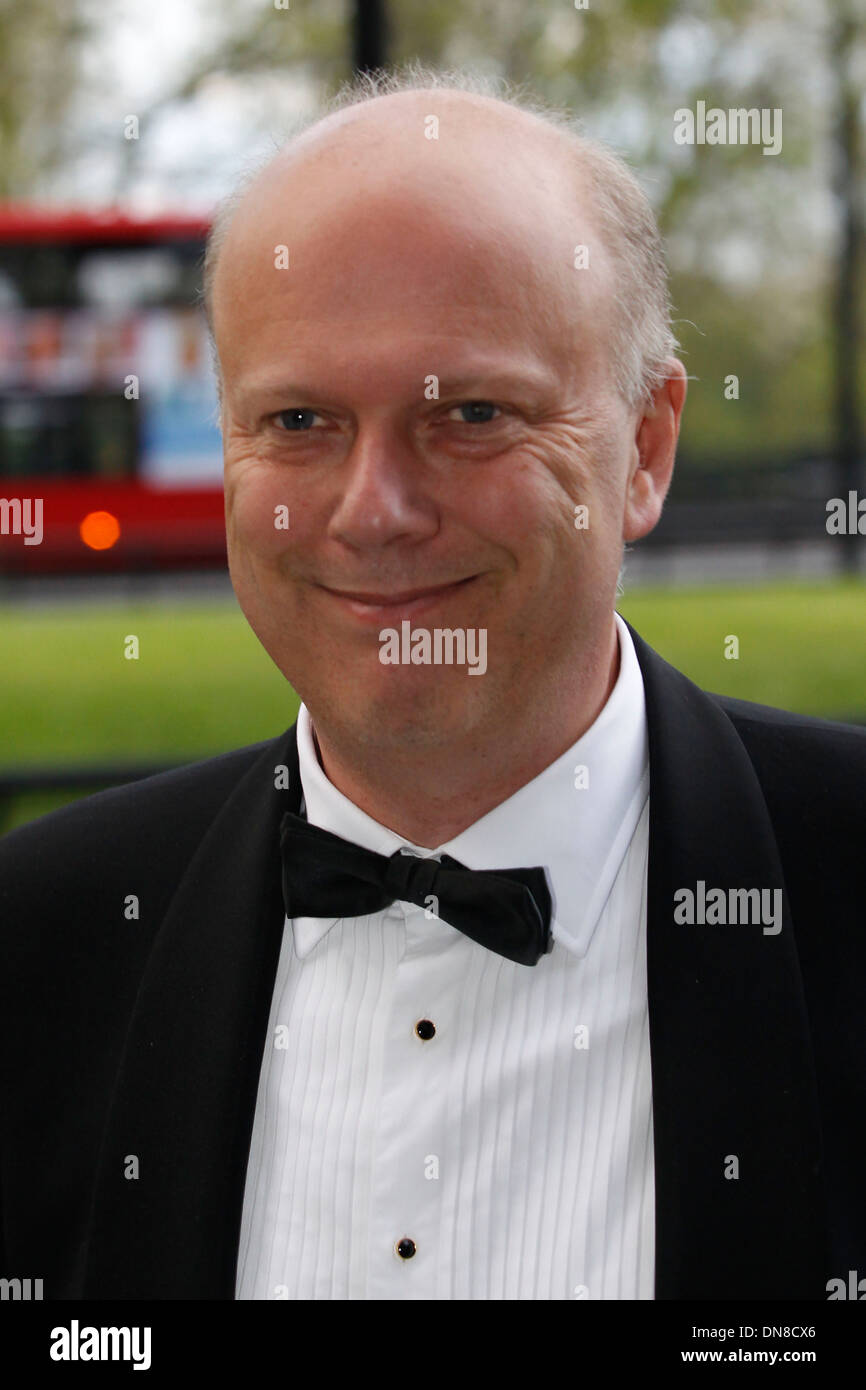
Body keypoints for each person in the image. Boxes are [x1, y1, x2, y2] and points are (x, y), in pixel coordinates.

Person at [1, 67, 864, 1303]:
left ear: (645, 447)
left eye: (469, 412)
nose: (373, 514)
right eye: (298, 421)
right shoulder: (37, 944)